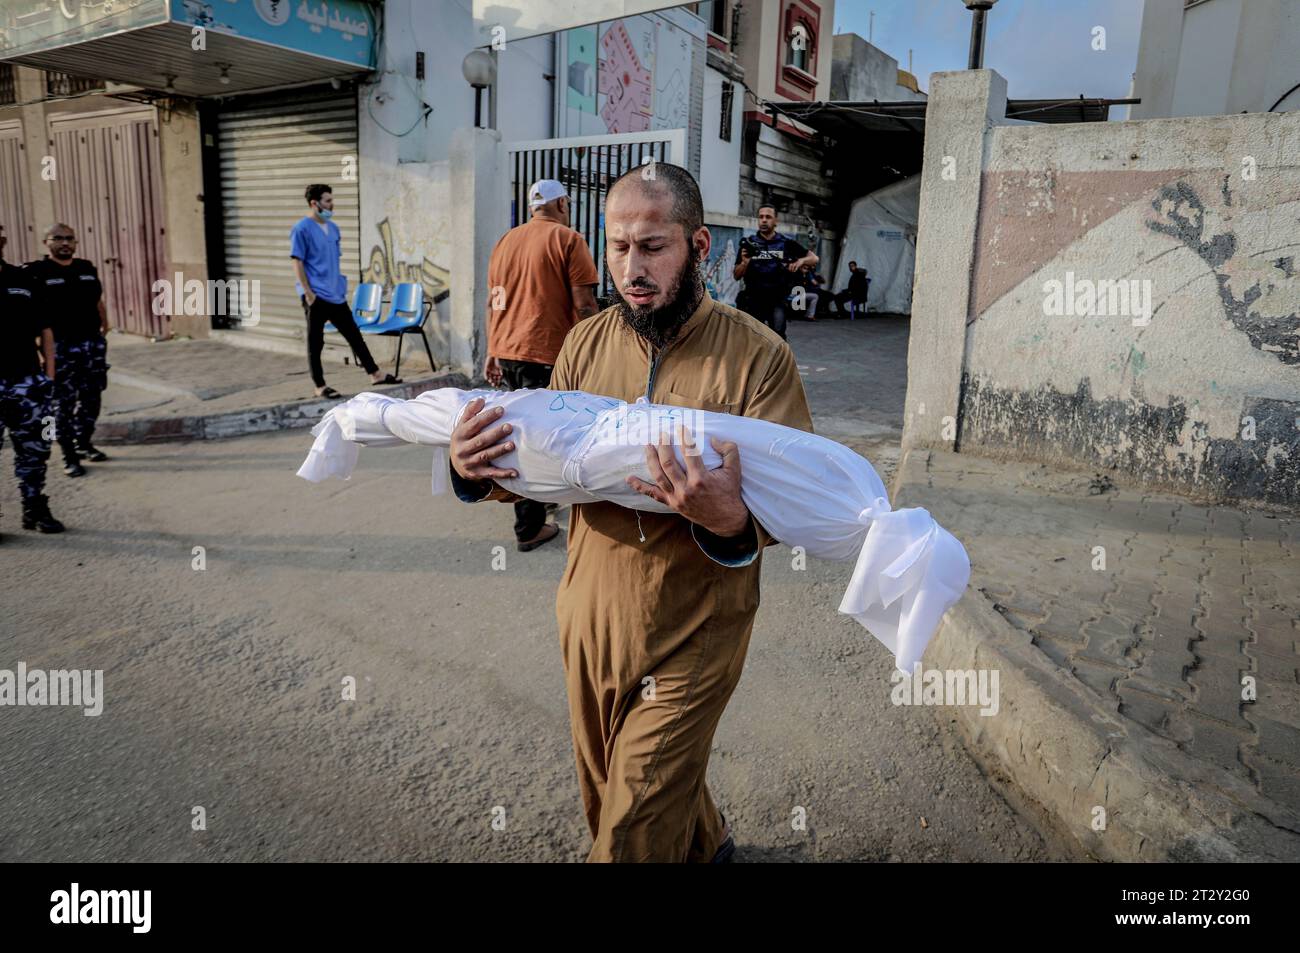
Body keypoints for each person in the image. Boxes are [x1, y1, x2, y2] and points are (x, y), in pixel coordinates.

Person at [448, 163, 813, 862]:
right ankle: (710, 848)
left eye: (653, 247)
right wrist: (474, 468)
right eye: (618, 247)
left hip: (696, 623)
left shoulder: (760, 360)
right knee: (612, 789)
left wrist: (729, 517)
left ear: (700, 246)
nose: (631, 268)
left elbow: (792, 501)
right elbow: (548, 466)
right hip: (590, 611)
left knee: (630, 829)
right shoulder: (583, 344)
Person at [483, 178, 600, 552]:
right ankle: (528, 528)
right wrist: (595, 350)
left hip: (508, 349)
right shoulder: (568, 239)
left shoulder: (505, 241)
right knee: (536, 438)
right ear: (562, 204)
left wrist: (491, 349)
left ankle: (541, 497)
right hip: (547, 352)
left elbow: (494, 300)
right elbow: (585, 305)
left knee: (520, 431)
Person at [290, 184, 400, 400]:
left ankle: (375, 373)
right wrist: (308, 293)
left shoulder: (333, 228)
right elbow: (297, 262)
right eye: (328, 201)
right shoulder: (301, 229)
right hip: (315, 295)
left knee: (354, 335)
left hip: (335, 294)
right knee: (316, 341)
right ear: (315, 203)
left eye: (332, 200)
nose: (332, 204)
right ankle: (320, 385)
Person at [24, 224, 109, 477]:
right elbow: (28, 312)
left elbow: (97, 300)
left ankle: (84, 444)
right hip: (60, 347)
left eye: (69, 239)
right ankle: (68, 455)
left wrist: (105, 326)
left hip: (91, 344)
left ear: (76, 242)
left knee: (92, 397)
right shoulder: (37, 272)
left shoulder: (86, 268)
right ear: (46, 242)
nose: (64, 243)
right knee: (63, 403)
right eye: (58, 238)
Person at [1, 224, 64, 535]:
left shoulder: (23, 279)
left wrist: (49, 375)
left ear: (2, 240)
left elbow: (46, 330)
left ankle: (34, 507)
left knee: (37, 448)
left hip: (28, 381)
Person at [731, 204, 818, 340]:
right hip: (752, 300)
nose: (764, 220)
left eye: (768, 217)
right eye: (761, 217)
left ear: (775, 221)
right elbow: (736, 275)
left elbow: (814, 258)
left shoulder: (786, 243)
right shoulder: (749, 244)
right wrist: (744, 263)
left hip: (777, 300)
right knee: (750, 341)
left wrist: (800, 261)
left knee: (778, 340)